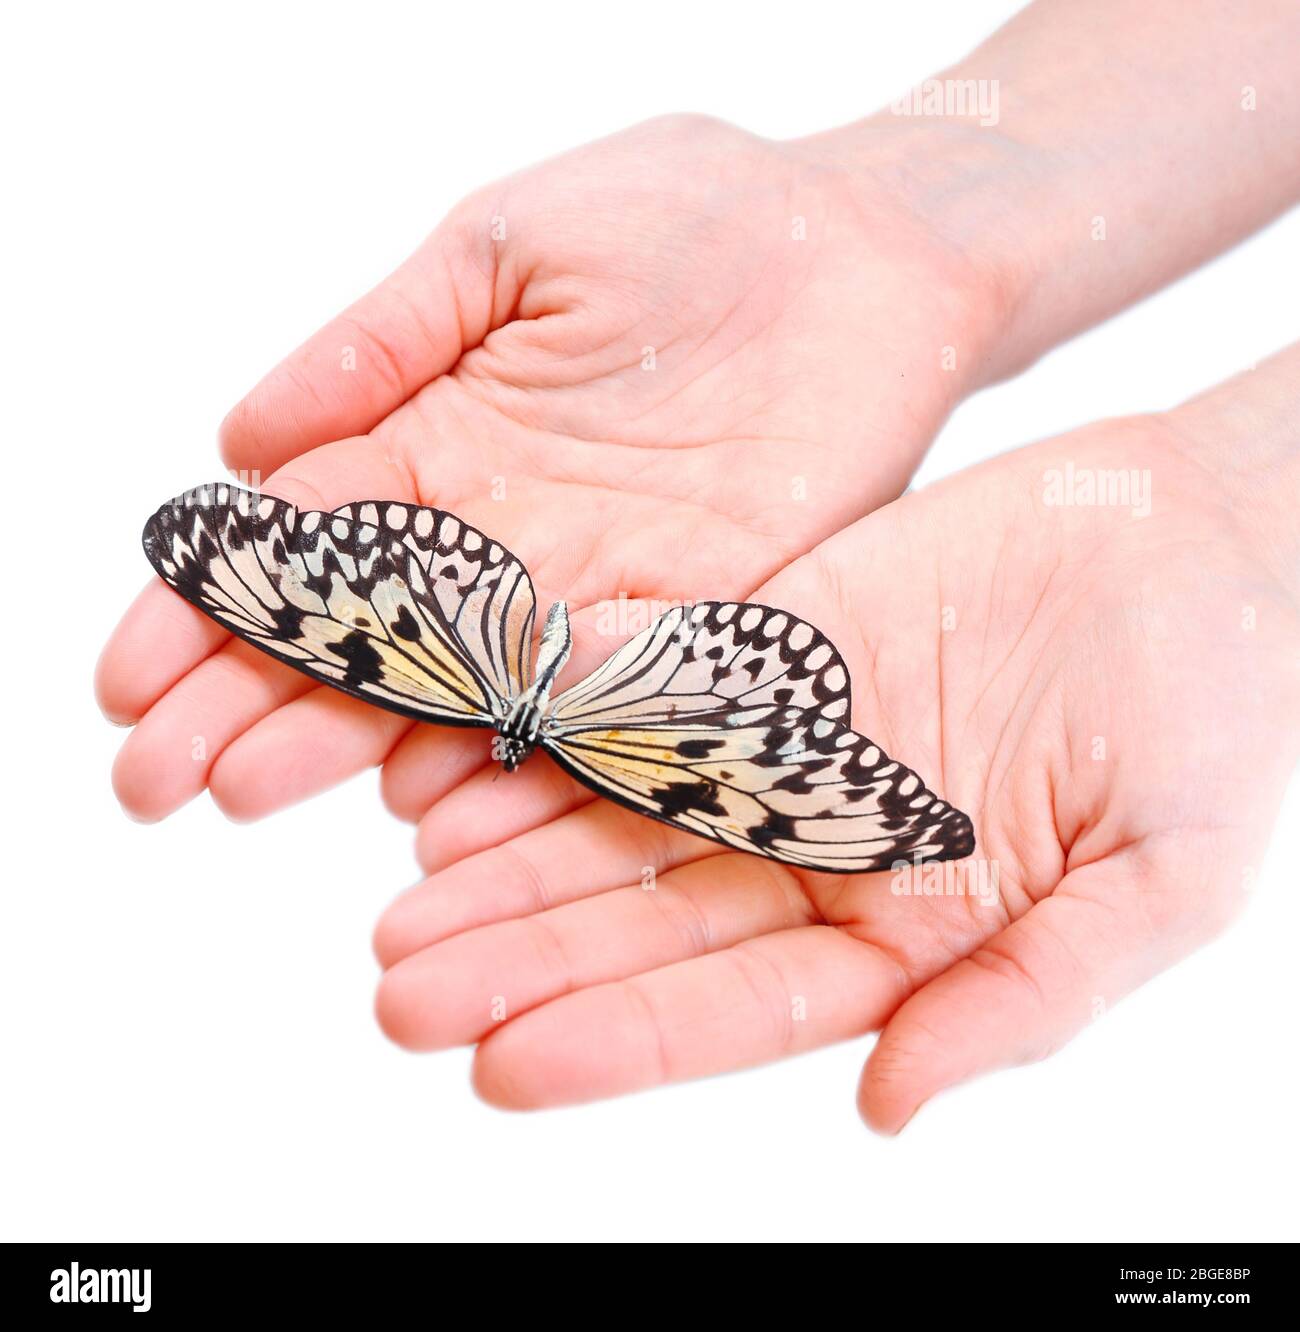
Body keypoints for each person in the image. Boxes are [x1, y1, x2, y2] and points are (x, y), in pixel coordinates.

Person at [96, 0, 1300, 1129]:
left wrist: (1248, 512)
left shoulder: (486, 702)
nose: (507, 757)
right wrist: (915, 207)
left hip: (460, 650)